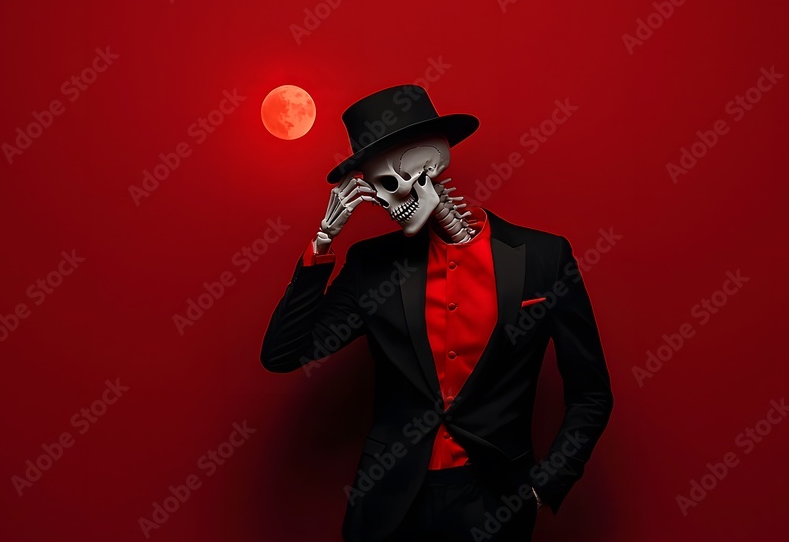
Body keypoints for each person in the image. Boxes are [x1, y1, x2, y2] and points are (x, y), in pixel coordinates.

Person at [261, 84, 613, 542]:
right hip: (389, 505)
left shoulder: (544, 259)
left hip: (494, 502)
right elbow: (284, 353)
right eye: (376, 188)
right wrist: (322, 244)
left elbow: (591, 393)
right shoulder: (372, 267)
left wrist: (544, 488)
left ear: (429, 166)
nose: (390, 204)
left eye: (394, 182)